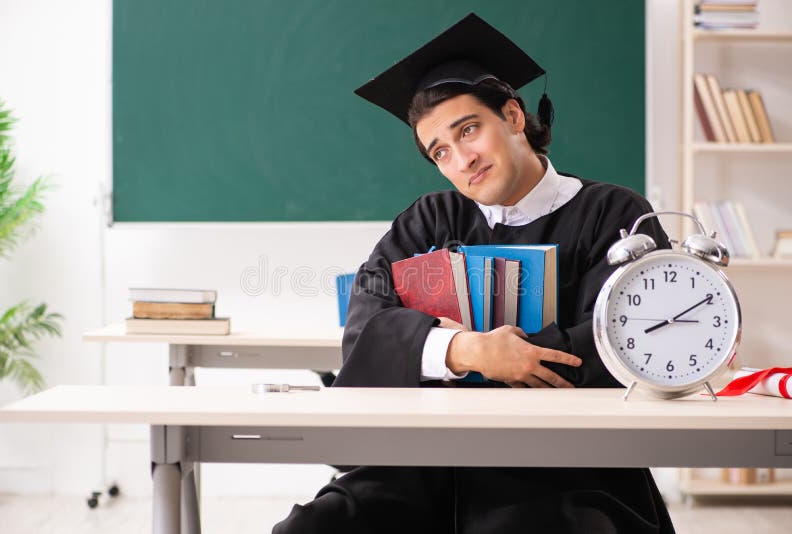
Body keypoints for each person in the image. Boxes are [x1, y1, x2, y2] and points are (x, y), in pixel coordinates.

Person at [274, 13, 675, 534]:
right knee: (313, 528)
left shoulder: (612, 213)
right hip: (424, 460)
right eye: (440, 150)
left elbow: (634, 338)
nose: (462, 159)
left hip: (563, 465)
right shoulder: (430, 219)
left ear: (512, 116)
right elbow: (366, 321)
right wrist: (468, 352)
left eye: (469, 130)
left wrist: (515, 358)